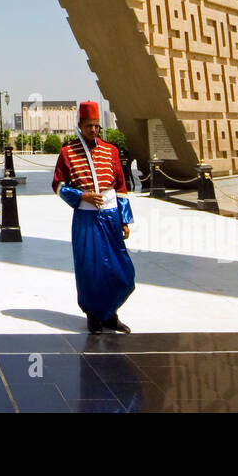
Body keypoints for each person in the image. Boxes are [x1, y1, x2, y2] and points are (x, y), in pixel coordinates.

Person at [52, 101, 135, 334]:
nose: (94, 130)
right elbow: (58, 185)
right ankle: (94, 316)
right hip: (85, 219)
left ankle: (111, 313)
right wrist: (82, 196)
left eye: (97, 126)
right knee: (90, 268)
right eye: (89, 126)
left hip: (110, 217)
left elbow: (120, 186)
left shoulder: (111, 150)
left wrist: (124, 219)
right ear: (80, 125)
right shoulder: (68, 152)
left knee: (121, 270)